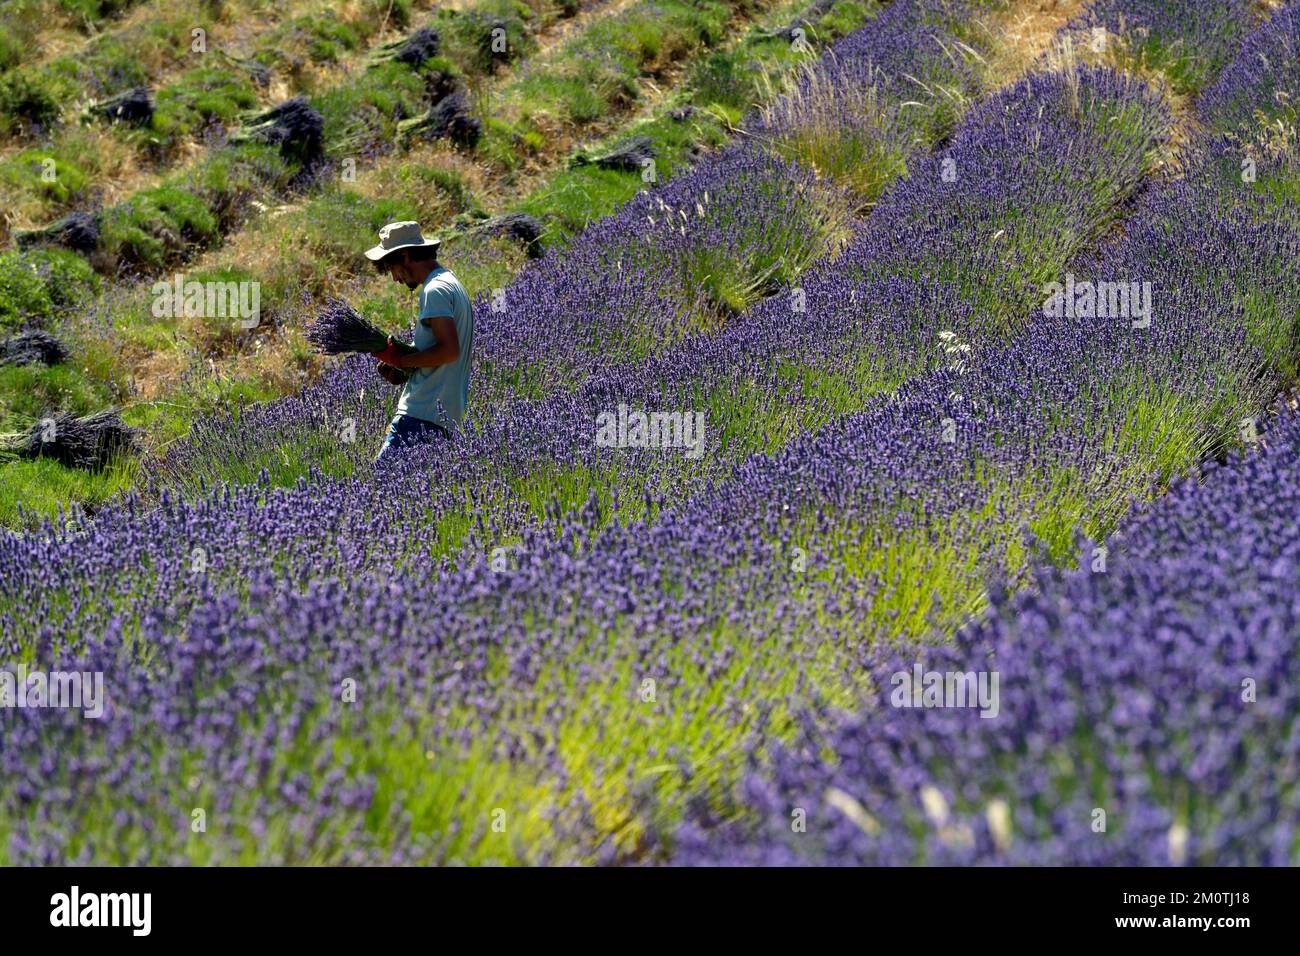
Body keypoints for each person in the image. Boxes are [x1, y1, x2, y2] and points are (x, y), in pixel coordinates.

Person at [364, 221, 475, 462]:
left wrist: (402, 360)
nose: (394, 278)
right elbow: (442, 359)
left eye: (390, 267)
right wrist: (406, 372)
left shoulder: (434, 290)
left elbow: (448, 351)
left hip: (419, 415)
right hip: (443, 419)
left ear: (405, 256)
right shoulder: (452, 283)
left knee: (378, 490)